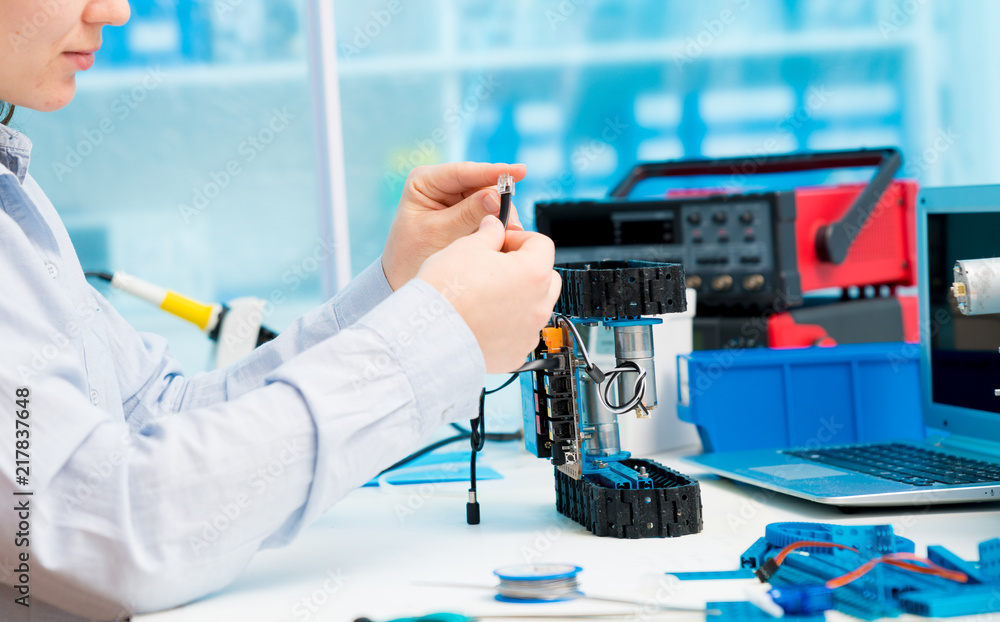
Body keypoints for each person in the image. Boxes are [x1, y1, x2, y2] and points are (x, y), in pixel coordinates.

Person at [0, 1, 562, 619]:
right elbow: (108, 535)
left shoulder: (15, 195)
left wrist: (400, 294)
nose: (115, 11)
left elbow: (151, 414)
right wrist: (435, 340)